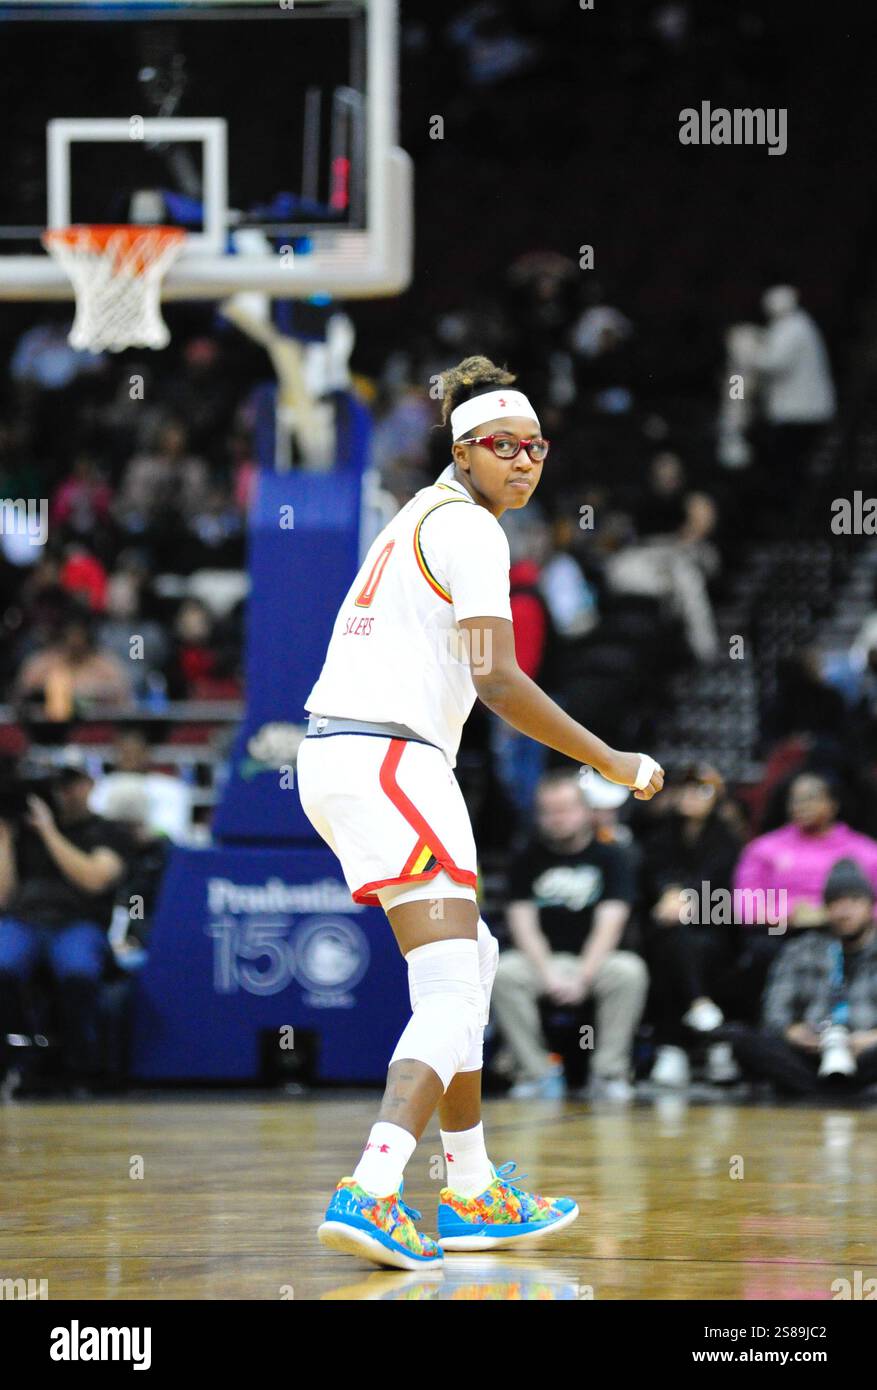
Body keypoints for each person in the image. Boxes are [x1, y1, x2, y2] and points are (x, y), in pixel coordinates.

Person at [296, 354, 664, 1270]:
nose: (525, 461)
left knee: (472, 965)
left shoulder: (419, 514)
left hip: (353, 758)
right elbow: (496, 680)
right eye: (505, 446)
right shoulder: (470, 528)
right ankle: (373, 1189)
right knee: (457, 993)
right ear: (464, 450)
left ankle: (467, 1188)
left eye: (536, 447)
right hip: (390, 759)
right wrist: (608, 759)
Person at [492, 769, 644, 1102]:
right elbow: (523, 923)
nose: (556, 818)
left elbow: (611, 923)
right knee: (503, 973)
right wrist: (548, 973)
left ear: (587, 810)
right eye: (548, 811)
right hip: (542, 961)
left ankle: (608, 1072)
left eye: (565, 809)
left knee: (629, 971)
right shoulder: (526, 857)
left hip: (595, 960)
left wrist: (583, 976)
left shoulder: (612, 856)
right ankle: (536, 1072)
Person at [0, 757, 132, 1089]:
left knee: (77, 972)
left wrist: (49, 831)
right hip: (24, 921)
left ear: (89, 785)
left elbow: (94, 879)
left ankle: (79, 1066)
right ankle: (15, 1058)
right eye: (58, 785)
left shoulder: (107, 831)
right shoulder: (19, 832)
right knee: (3, 964)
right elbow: (2, 896)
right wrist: (4, 837)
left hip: (78, 923)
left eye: (71, 784)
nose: (63, 793)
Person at [725, 859, 877, 1098]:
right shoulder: (800, 950)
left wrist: (869, 1039)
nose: (845, 912)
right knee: (742, 1039)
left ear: (870, 906)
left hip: (866, 1050)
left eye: (854, 902)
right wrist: (794, 1033)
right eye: (836, 903)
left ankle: (817, 1093)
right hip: (811, 1052)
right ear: (826, 909)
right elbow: (774, 1012)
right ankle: (841, 1094)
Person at [641, 763, 745, 1088]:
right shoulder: (659, 837)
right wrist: (668, 895)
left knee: (685, 944)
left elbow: (724, 891)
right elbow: (651, 880)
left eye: (703, 790)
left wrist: (688, 900)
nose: (692, 797)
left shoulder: (728, 841)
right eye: (686, 789)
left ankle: (673, 1045)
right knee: (672, 941)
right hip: (665, 925)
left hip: (715, 927)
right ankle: (709, 1029)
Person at [733, 772, 877, 1003]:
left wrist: (838, 914)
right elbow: (745, 904)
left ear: (833, 804)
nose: (801, 806)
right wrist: (786, 914)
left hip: (849, 933)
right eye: (795, 799)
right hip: (784, 932)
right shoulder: (764, 848)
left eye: (811, 798)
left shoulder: (866, 851)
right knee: (761, 950)